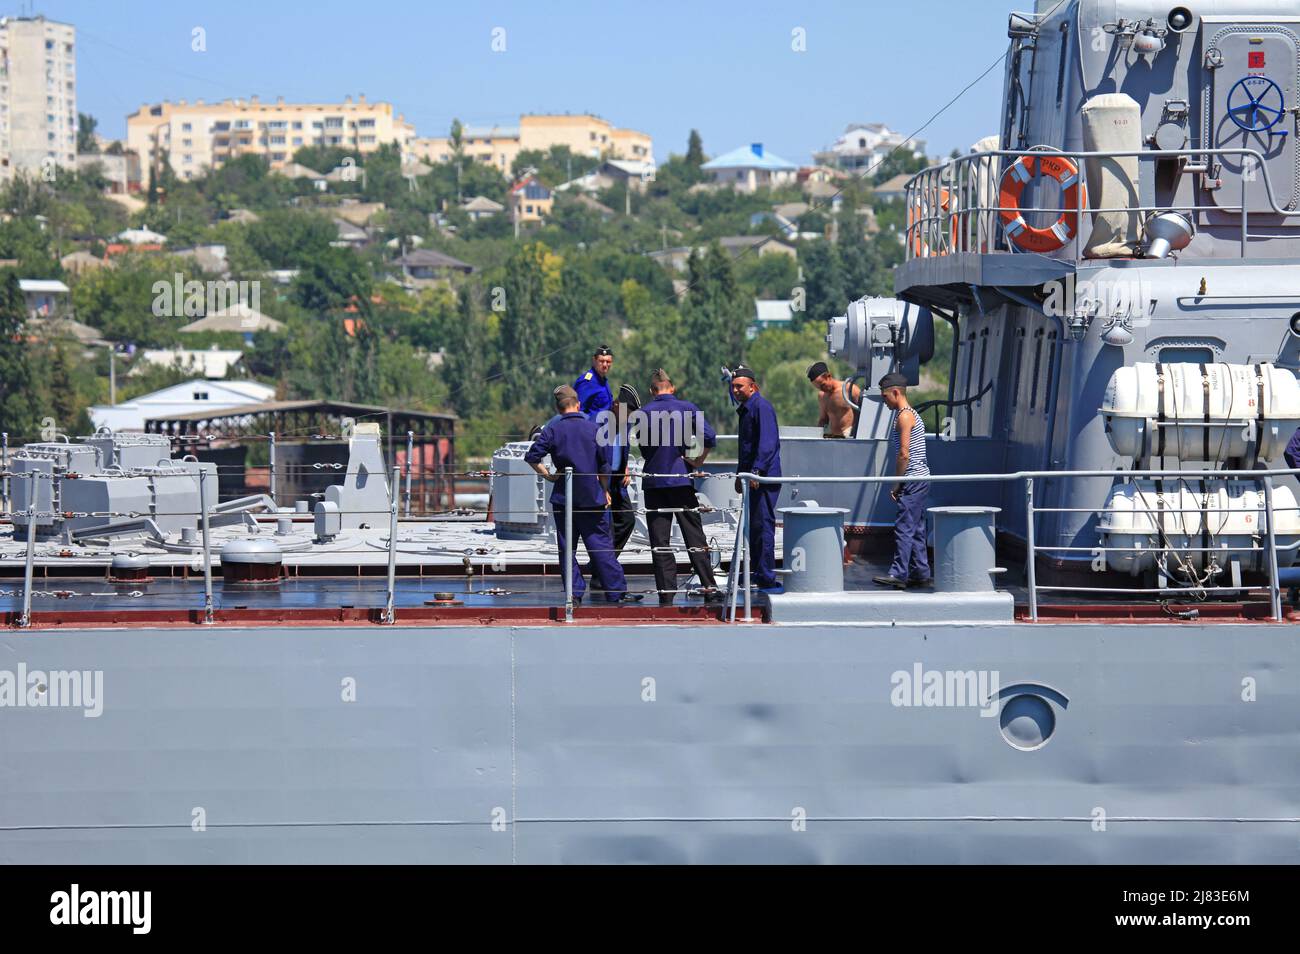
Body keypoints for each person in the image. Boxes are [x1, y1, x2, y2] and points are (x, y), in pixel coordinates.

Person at [524, 385, 642, 604]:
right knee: (601, 547)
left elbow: (532, 457)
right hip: (592, 499)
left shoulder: (553, 430)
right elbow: (605, 466)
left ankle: (573, 594)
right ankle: (616, 592)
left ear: (558, 408)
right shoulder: (594, 429)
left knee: (567, 550)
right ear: (578, 404)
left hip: (564, 500)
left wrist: (548, 476)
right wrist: (605, 490)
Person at [638, 369, 723, 605]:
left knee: (660, 542)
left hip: (654, 483)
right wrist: (698, 460)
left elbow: (644, 450)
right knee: (694, 536)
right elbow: (710, 436)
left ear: (652, 391)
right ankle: (709, 587)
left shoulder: (643, 413)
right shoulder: (687, 408)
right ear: (672, 388)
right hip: (681, 481)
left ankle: (666, 595)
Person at [874, 371, 932, 589]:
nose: (884, 402)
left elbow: (904, 454)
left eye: (885, 397)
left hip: (913, 478)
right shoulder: (909, 414)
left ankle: (899, 574)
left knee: (904, 526)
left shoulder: (905, 416)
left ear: (896, 392)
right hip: (920, 478)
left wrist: (897, 483)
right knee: (916, 527)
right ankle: (921, 572)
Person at [731, 365, 783, 591]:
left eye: (739, 386)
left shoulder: (761, 407)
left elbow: (767, 443)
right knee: (754, 529)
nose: (735, 390)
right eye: (733, 387)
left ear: (753, 387)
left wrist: (757, 471)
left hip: (763, 478)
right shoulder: (746, 409)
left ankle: (766, 577)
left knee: (763, 527)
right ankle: (757, 573)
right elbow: (746, 447)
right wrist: (739, 474)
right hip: (751, 476)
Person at [807, 360, 861, 438]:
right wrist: (817, 436)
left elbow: (863, 412)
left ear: (828, 376)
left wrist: (855, 433)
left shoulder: (849, 389)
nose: (822, 389)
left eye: (823, 385)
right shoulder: (822, 396)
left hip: (850, 436)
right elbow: (823, 419)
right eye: (818, 388)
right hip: (833, 438)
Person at [573, 345, 614, 422]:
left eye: (608, 362)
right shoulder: (588, 382)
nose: (605, 365)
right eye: (601, 361)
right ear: (594, 361)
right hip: (590, 430)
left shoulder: (603, 381)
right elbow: (576, 411)